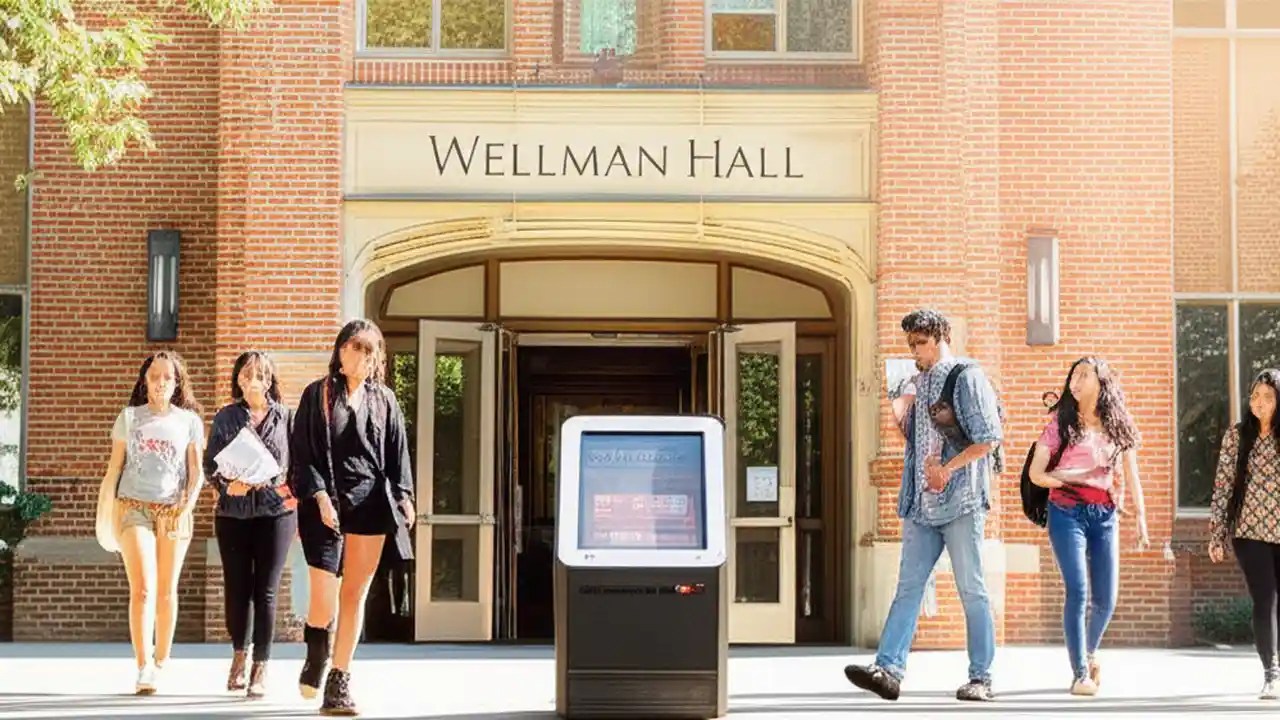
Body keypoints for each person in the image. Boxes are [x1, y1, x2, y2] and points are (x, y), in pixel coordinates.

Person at [844, 309, 1002, 702]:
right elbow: (918, 442)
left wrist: (946, 470)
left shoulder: (966, 376)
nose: (914, 350)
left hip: (960, 501)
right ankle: (888, 670)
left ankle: (981, 678)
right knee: (908, 587)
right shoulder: (917, 380)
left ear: (941, 338)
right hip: (920, 505)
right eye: (910, 343)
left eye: (920, 343)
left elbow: (989, 439)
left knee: (972, 589)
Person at [291, 319, 415, 714]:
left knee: (355, 594)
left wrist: (405, 496)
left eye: (371, 350)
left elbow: (398, 454)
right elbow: (303, 453)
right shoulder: (318, 395)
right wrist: (320, 497)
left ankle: (339, 682)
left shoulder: (385, 400)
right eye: (356, 347)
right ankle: (316, 652)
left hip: (370, 503)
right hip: (325, 505)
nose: (363, 356)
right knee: (324, 601)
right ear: (340, 351)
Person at [1028, 356, 1149, 696]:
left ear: (1101, 380)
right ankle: (1081, 672)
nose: (1075, 381)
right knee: (1078, 591)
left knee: (1106, 600)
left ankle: (1089, 652)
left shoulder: (1118, 424)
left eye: (1084, 374)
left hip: (1105, 515)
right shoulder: (1060, 422)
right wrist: (1066, 476)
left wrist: (1140, 517)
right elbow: (1036, 474)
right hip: (1066, 510)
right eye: (1073, 375)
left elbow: (1132, 473)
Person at [93, 350, 205, 695]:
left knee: (166, 591)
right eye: (154, 376)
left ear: (177, 382)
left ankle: (161, 660)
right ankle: (143, 667)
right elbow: (115, 467)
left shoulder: (189, 421)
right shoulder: (129, 418)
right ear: (145, 380)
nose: (160, 383)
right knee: (142, 588)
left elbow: (196, 471)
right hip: (134, 507)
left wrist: (188, 504)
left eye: (167, 377)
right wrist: (107, 511)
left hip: (173, 511)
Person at [203, 351, 298, 698]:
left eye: (259, 374)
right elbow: (209, 464)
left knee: (267, 592)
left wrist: (285, 490)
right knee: (238, 590)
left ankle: (262, 666)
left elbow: (297, 465)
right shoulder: (227, 417)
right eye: (246, 374)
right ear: (237, 379)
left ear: (270, 379)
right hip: (234, 513)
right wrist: (228, 485)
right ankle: (238, 659)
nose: (252, 380)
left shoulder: (286, 418)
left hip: (276, 514)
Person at [1208, 369, 1280, 701]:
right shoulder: (1237, 436)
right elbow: (1222, 487)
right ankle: (1271, 673)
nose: (1259, 403)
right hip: (1250, 532)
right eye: (1254, 396)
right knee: (1264, 600)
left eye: (1267, 396)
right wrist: (1217, 534)